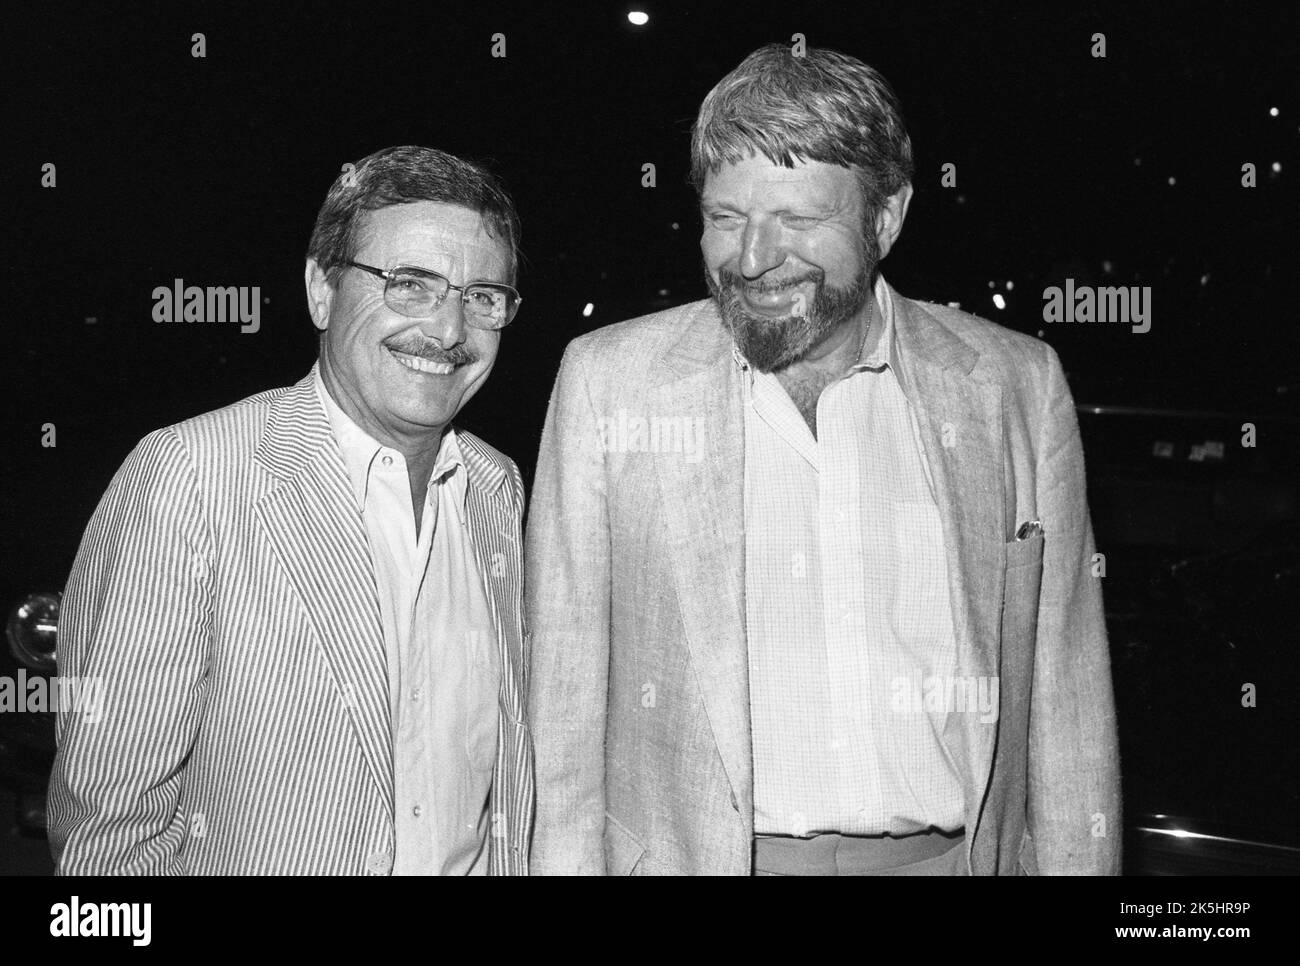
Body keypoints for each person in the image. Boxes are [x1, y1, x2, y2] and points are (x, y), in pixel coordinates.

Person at [527, 44, 1120, 875]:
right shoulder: (609, 383)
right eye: (727, 217)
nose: (753, 258)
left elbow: (1065, 698)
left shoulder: (1015, 385)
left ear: (887, 216)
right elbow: (560, 707)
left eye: (800, 220)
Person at [48, 145, 533, 875]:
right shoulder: (193, 478)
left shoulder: (497, 490)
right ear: (320, 290)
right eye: (410, 284)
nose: (449, 330)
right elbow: (108, 837)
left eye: (483, 296)